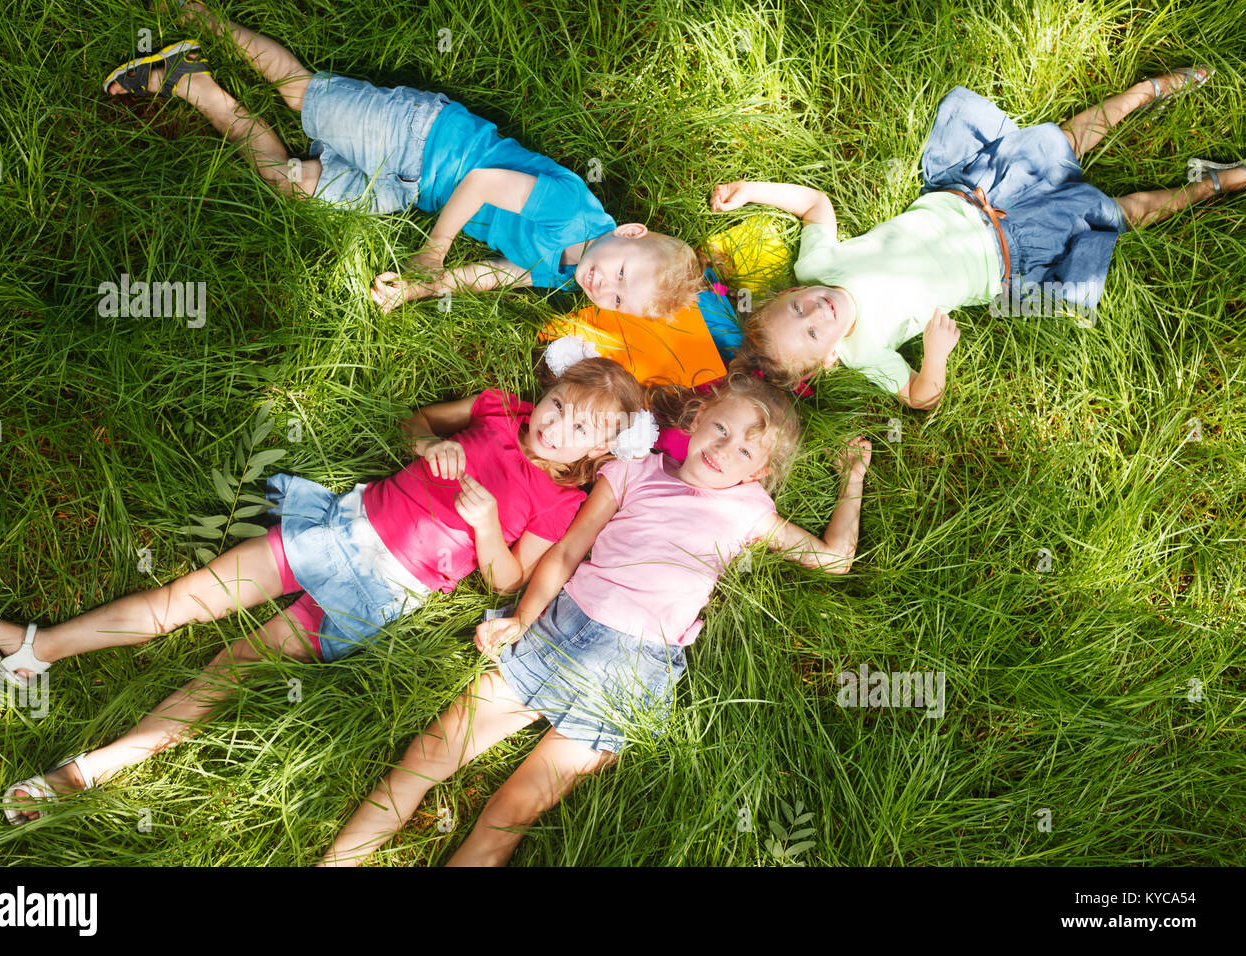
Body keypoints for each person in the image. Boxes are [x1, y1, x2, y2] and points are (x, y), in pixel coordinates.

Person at [0, 348, 652, 824]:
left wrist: (490, 525)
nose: (554, 425)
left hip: (379, 587)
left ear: (599, 453)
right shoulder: (500, 410)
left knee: (225, 673)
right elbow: (419, 422)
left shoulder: (558, 502)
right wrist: (425, 445)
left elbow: (508, 578)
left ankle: (86, 773)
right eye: (558, 404)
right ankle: (35, 649)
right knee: (184, 600)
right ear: (548, 389)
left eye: (578, 429)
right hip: (339, 528)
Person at [320, 372, 871, 865]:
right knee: (430, 752)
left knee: (510, 808)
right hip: (563, 627)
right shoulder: (634, 470)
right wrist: (522, 618)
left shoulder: (751, 510)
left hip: (635, 670)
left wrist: (853, 480)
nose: (726, 451)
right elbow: (565, 552)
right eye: (722, 429)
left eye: (747, 452)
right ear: (699, 417)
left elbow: (835, 559)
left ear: (762, 471)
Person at [101, 3, 703, 318]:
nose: (606, 286)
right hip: (421, 138)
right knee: (298, 91)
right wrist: (435, 248)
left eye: (619, 301)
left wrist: (419, 288)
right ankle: (201, 17)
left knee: (288, 184)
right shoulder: (572, 210)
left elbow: (495, 275)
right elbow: (484, 182)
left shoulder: (561, 274)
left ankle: (195, 83)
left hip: (410, 191)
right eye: (622, 272)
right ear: (628, 233)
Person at [716, 68, 1243, 407]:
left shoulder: (817, 268)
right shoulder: (864, 351)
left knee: (1065, 139)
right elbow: (920, 399)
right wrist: (935, 355)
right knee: (1115, 214)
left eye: (797, 309)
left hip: (978, 191)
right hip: (1014, 252)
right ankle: (1214, 184)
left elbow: (816, 205)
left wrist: (753, 189)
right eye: (812, 334)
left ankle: (1145, 91)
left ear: (791, 292)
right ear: (829, 359)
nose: (816, 313)